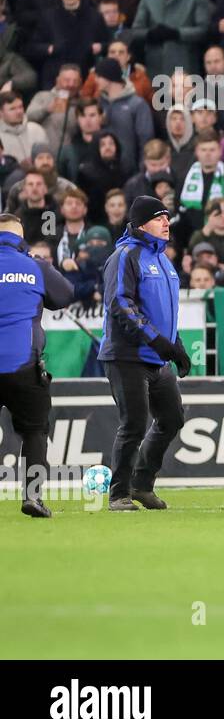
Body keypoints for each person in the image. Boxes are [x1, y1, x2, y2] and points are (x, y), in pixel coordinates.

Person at [98, 196, 190, 512]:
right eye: (158, 217)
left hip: (155, 357)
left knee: (172, 418)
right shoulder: (125, 255)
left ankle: (141, 484)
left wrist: (175, 345)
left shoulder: (164, 260)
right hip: (126, 355)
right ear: (140, 224)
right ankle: (118, 494)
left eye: (167, 217)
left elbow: (165, 313)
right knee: (134, 424)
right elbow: (120, 303)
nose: (166, 222)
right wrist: (158, 341)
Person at [0, 212, 72, 517]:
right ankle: (33, 497)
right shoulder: (35, 266)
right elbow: (65, 295)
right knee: (35, 431)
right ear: (20, 237)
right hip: (24, 365)